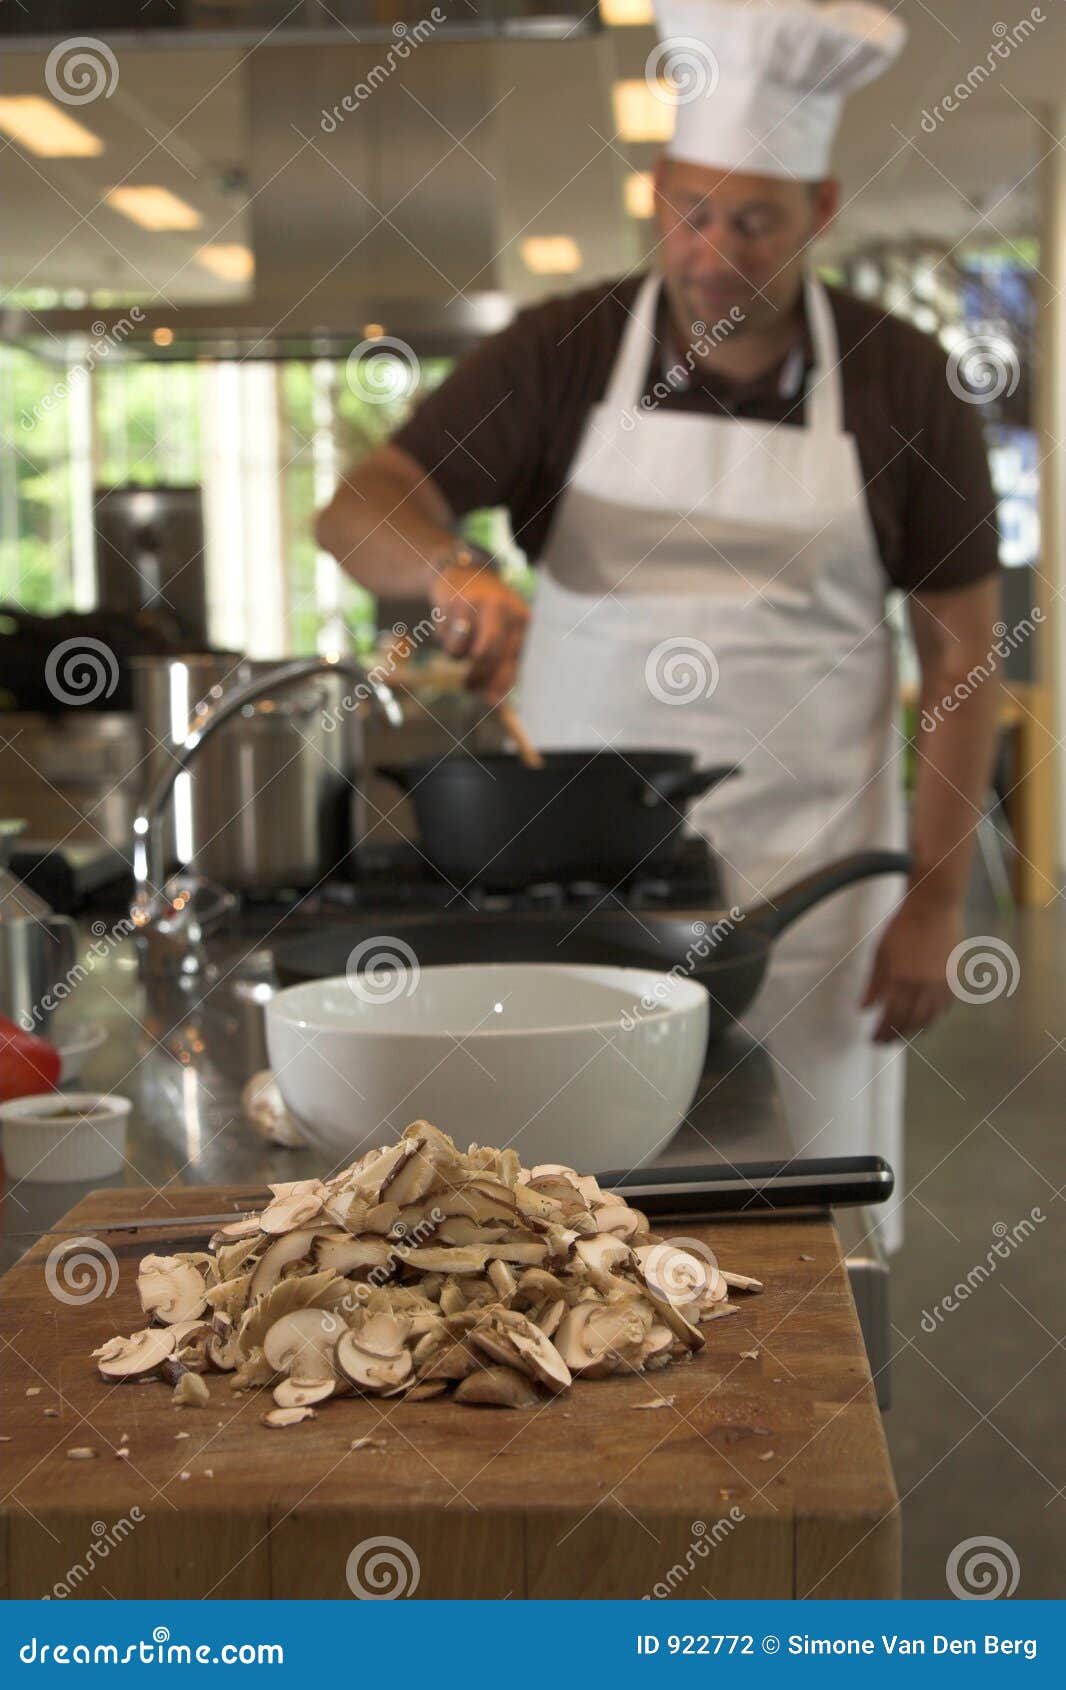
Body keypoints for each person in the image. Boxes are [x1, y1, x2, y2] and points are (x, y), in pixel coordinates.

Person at [316, 0, 1002, 1249]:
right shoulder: (562, 351)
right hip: (588, 899)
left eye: (754, 221)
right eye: (691, 212)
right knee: (568, 1234)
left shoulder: (905, 381)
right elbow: (357, 508)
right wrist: (449, 569)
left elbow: (962, 653)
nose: (713, 253)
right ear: (655, 195)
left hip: (810, 901)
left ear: (821, 209)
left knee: (806, 1238)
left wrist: (935, 897)